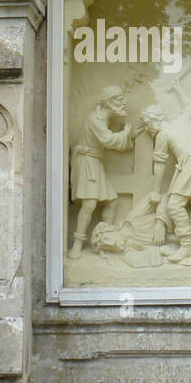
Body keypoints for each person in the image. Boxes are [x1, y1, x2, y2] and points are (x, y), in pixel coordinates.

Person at [140, 79, 191, 267]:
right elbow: (190, 106)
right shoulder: (180, 120)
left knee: (175, 205)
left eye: (148, 124)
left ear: (155, 120)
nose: (148, 129)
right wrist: (178, 87)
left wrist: (155, 191)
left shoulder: (162, 134)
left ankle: (187, 246)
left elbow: (160, 164)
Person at [69, 85, 135, 258]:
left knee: (112, 202)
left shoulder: (104, 118)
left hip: (95, 162)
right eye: (119, 99)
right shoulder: (96, 119)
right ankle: (77, 243)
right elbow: (108, 140)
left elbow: (117, 143)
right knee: (89, 203)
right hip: (87, 162)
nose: (123, 102)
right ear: (108, 102)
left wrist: (125, 133)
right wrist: (125, 133)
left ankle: (103, 239)